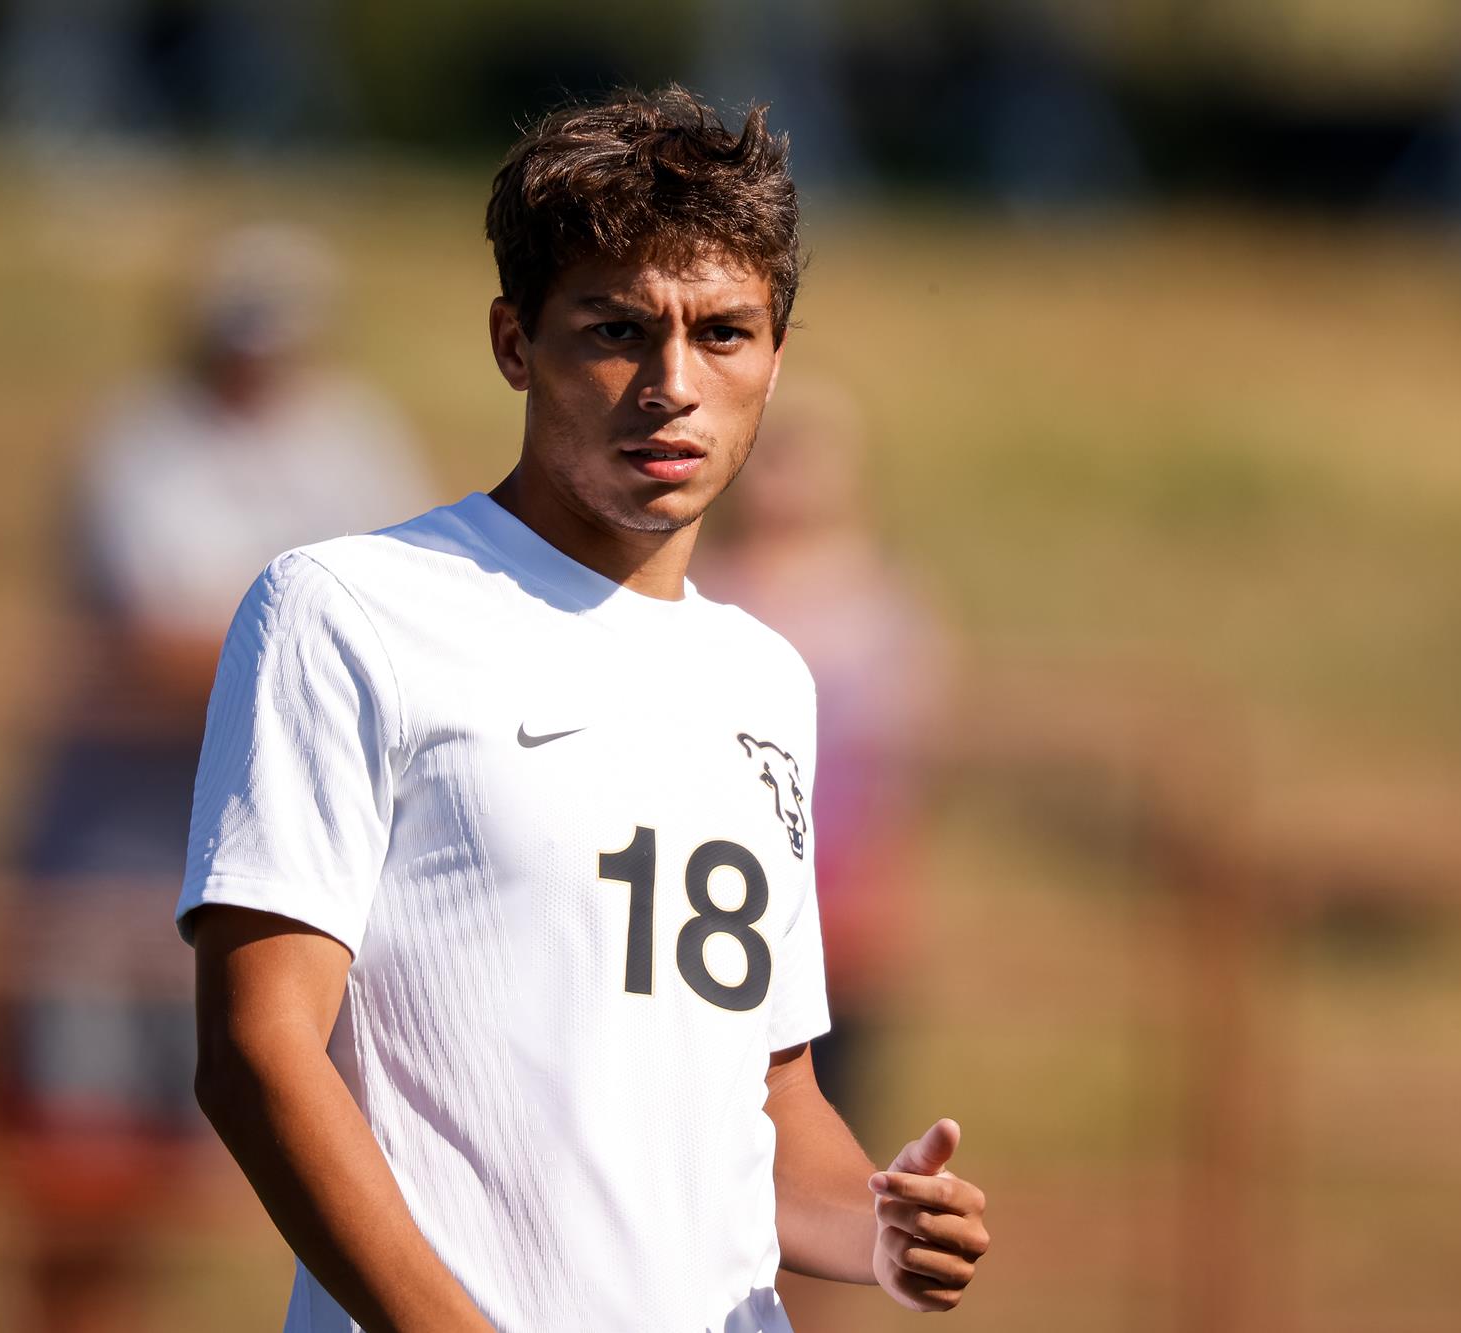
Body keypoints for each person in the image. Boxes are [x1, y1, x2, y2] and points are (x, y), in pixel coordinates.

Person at [177, 88, 991, 1331]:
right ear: (515, 342)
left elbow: (765, 1112)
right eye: (616, 329)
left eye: (722, 333)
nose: (672, 383)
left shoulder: (765, 678)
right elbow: (256, 1050)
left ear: (775, 354)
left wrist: (877, 1226)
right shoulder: (348, 609)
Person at [0, 223, 432, 1332]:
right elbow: (156, 642)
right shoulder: (140, 446)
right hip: (111, 872)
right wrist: (313, 671)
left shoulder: (350, 440)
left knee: (348, 1172)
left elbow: (401, 640)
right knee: (87, 1184)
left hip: (280, 878)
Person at [696, 377, 949, 1128]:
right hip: (714, 921)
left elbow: (903, 776)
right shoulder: (702, 593)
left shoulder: (885, 608)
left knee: (830, 1133)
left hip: (841, 929)